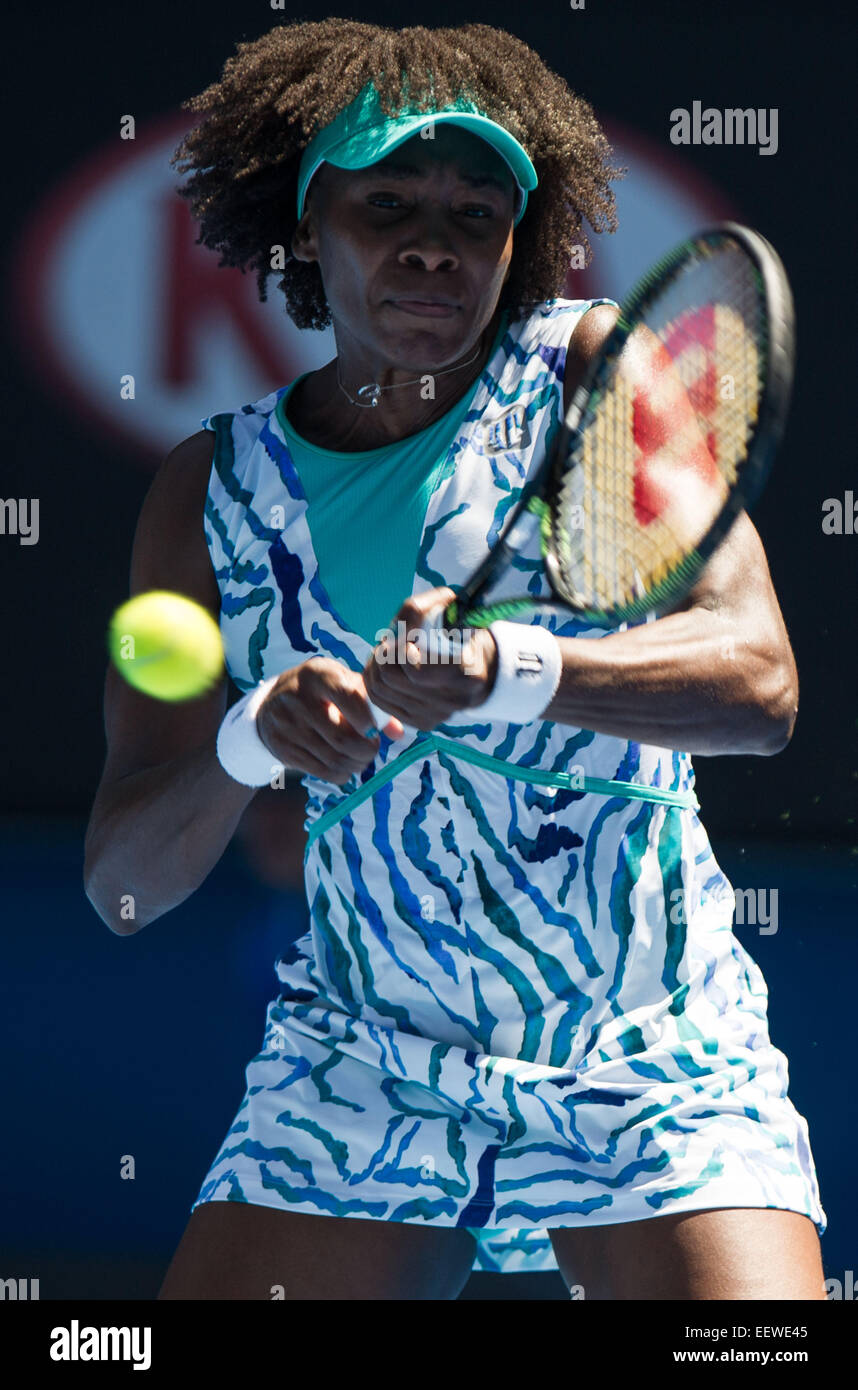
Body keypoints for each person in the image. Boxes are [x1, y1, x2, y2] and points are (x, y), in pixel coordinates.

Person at [84, 19, 826, 1300]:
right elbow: (123, 887)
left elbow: (761, 683)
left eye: (477, 213)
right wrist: (250, 734)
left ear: (516, 248)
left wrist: (518, 671)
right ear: (308, 226)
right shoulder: (204, 491)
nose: (437, 240)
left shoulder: (593, 378)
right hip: (364, 1060)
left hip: (646, 1044)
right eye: (389, 204)